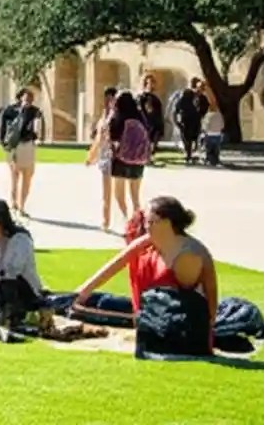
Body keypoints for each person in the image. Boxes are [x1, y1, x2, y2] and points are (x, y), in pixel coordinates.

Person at [74, 197, 218, 350]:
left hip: (180, 330)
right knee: (102, 302)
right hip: (154, 320)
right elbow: (117, 263)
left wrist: (209, 327)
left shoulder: (188, 256)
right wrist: (81, 293)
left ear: (167, 223)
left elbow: (198, 300)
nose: (145, 227)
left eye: (150, 222)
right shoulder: (150, 241)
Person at [86, 87, 127, 231]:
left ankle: (108, 221)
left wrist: (91, 156)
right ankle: (119, 220)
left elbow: (99, 140)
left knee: (111, 193)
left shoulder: (109, 119)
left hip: (109, 157)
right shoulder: (119, 118)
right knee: (116, 193)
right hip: (116, 157)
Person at [0, 88, 43, 217]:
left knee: (26, 177)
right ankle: (14, 203)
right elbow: (2, 128)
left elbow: (38, 130)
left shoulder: (35, 112)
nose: (28, 100)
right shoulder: (10, 111)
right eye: (27, 97)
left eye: (31, 98)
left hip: (27, 145)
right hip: (15, 146)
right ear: (20, 97)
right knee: (15, 176)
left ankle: (21, 205)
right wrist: (3, 143)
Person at [108, 90, 150, 216]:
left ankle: (127, 219)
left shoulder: (118, 117)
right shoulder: (140, 117)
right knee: (135, 196)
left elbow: (113, 138)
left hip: (120, 160)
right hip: (138, 159)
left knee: (119, 195)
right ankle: (138, 221)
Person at [171, 78, 210, 164]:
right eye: (199, 88)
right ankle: (188, 155)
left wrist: (201, 115)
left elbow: (205, 108)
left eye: (203, 89)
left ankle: (191, 154)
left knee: (195, 138)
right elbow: (178, 107)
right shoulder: (186, 94)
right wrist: (176, 120)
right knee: (186, 138)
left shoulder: (203, 98)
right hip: (185, 120)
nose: (200, 91)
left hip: (196, 121)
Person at [137, 73, 165, 164]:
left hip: (155, 123)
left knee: (153, 143)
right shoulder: (142, 97)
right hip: (146, 123)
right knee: (147, 142)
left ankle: (148, 157)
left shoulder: (154, 98)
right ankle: (146, 158)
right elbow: (145, 110)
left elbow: (158, 112)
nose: (152, 84)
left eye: (153, 82)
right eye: (149, 82)